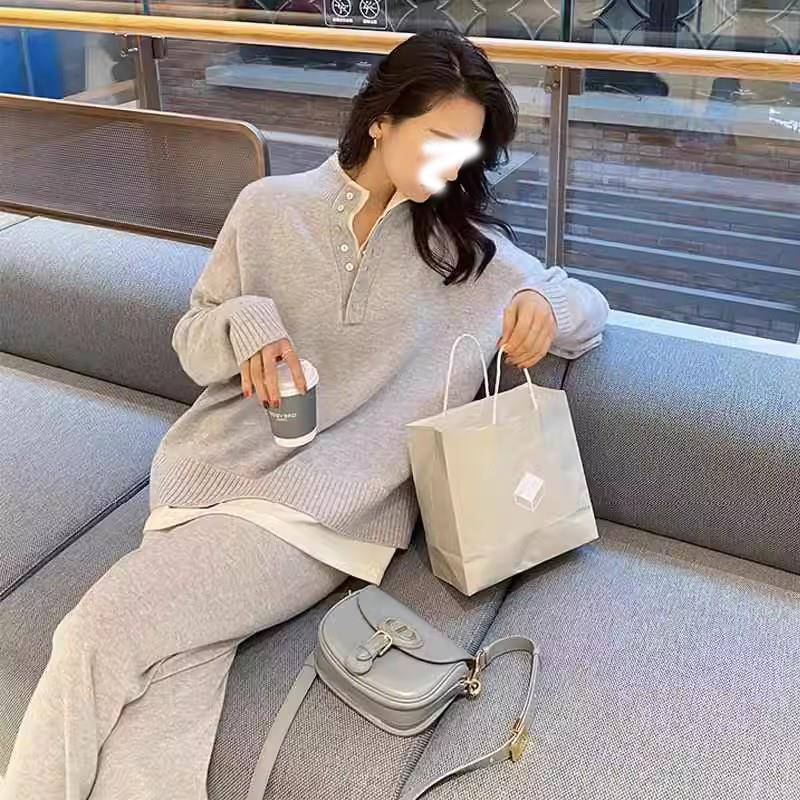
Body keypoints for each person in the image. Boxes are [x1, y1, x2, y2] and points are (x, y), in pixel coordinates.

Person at [1, 28, 609, 800]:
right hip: (203, 478)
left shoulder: (468, 256)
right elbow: (193, 343)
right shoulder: (267, 208)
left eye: (468, 149)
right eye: (438, 139)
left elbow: (589, 310)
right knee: (165, 693)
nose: (453, 164)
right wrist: (245, 322)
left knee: (96, 634)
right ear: (382, 120)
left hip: (322, 516)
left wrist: (545, 306)